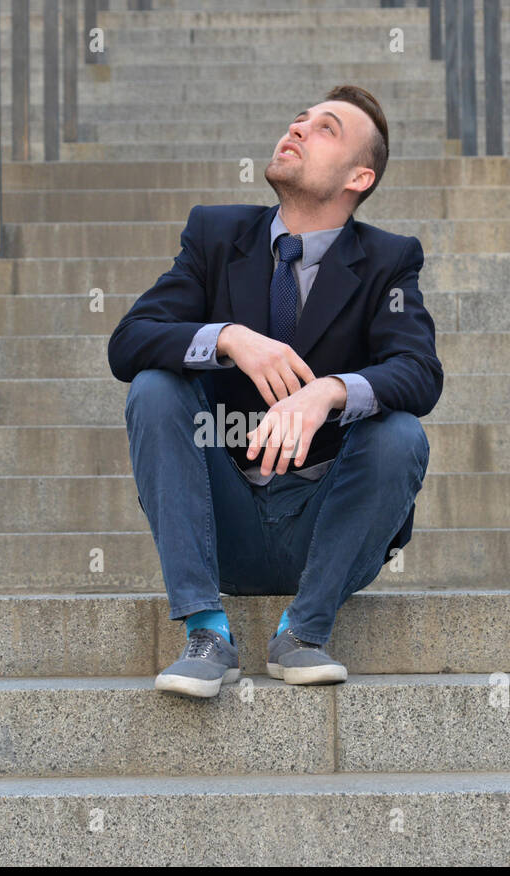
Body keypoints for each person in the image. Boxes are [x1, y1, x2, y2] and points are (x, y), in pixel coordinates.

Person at [107, 84, 443, 698]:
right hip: (223, 522)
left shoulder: (389, 260)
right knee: (155, 387)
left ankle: (304, 631)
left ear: (358, 177)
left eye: (326, 129)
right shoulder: (215, 236)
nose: (298, 128)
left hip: (326, 530)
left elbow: (420, 371)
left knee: (401, 431)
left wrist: (330, 392)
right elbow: (129, 341)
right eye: (299, 119)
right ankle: (207, 634)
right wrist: (228, 337)